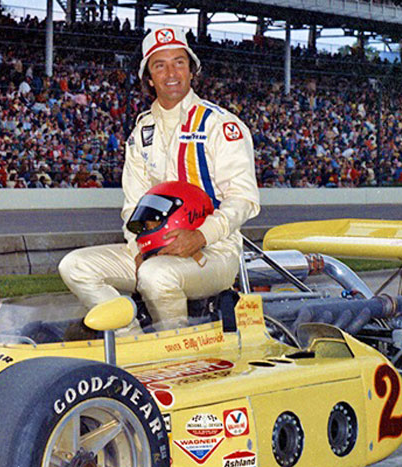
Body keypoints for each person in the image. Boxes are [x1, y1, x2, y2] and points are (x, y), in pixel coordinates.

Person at [59, 26, 259, 329]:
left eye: (179, 62)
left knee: (157, 275)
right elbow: (132, 205)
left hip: (215, 251)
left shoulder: (220, 124)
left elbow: (244, 199)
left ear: (192, 71)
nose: (171, 73)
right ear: (149, 79)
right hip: (152, 247)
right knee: (74, 266)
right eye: (160, 65)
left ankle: (177, 349)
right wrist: (138, 248)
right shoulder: (142, 132)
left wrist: (201, 235)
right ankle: (132, 343)